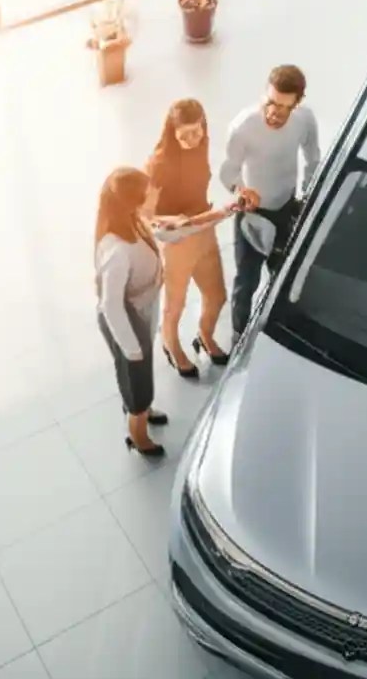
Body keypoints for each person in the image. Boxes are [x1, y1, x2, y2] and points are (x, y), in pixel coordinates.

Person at [94, 167, 239, 456]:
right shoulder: (118, 250)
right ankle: (138, 435)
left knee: (138, 376)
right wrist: (132, 349)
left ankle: (141, 409)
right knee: (137, 378)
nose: (156, 194)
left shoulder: (137, 222)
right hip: (126, 320)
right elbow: (110, 305)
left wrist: (224, 212)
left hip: (140, 312)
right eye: (149, 193)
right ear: (133, 202)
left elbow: (178, 230)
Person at [219, 64, 321, 345]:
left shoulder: (305, 120)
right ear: (264, 93)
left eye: (285, 107)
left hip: (287, 209)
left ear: (297, 103)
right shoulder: (243, 126)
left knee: (289, 276)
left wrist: (307, 195)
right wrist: (240, 189)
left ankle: (286, 335)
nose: (275, 113)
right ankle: (239, 338)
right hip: (252, 214)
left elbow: (313, 159)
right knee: (246, 282)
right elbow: (228, 171)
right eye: (271, 103)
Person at [145, 99, 230, 379]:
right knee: (176, 305)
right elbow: (146, 215)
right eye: (185, 135)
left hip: (204, 229)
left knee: (217, 296)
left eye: (197, 131)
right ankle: (171, 346)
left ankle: (205, 336)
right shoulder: (159, 163)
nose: (193, 139)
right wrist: (177, 220)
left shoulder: (202, 146)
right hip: (178, 241)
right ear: (172, 132)